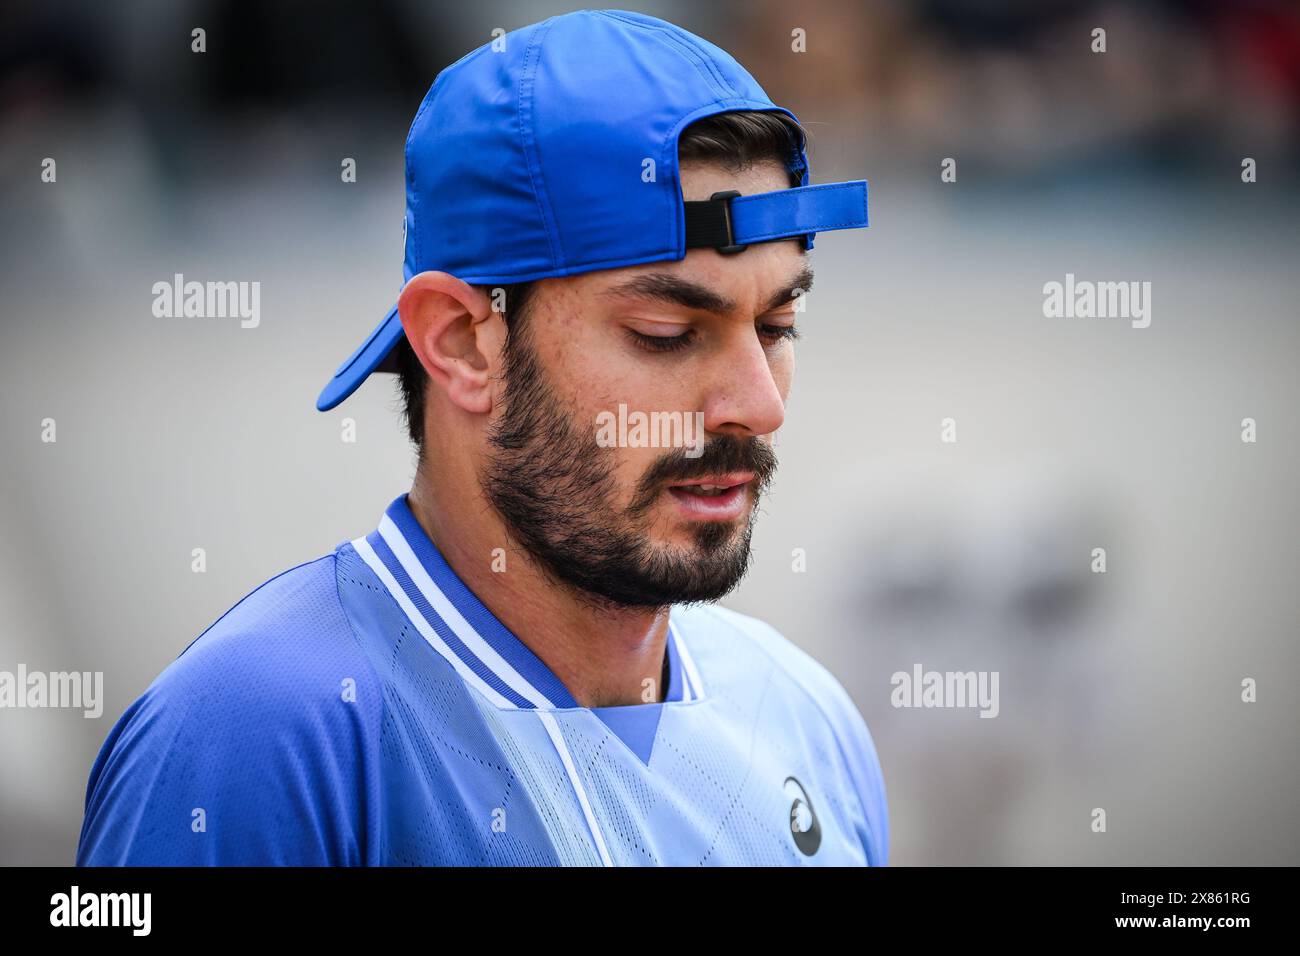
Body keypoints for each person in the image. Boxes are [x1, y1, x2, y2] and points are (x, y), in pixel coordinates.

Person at [77, 9, 887, 866]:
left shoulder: (806, 718)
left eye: (777, 323)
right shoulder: (255, 739)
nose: (758, 406)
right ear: (463, 343)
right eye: (664, 332)